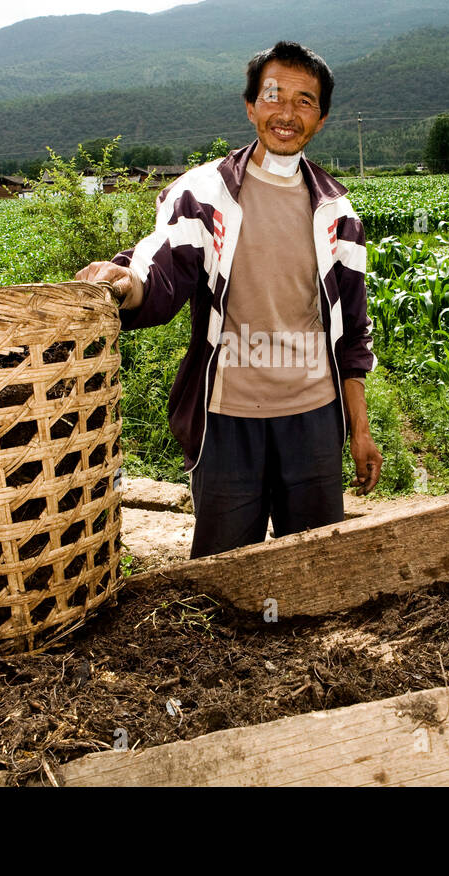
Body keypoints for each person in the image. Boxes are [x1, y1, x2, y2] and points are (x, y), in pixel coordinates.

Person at [76, 40, 382, 558]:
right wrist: (126, 283)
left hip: (313, 417)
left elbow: (352, 332)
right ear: (250, 106)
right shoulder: (204, 194)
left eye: (304, 101)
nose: (287, 113)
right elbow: (163, 265)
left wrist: (360, 430)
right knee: (221, 570)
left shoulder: (337, 214)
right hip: (228, 416)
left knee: (312, 564)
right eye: (273, 95)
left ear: (322, 118)